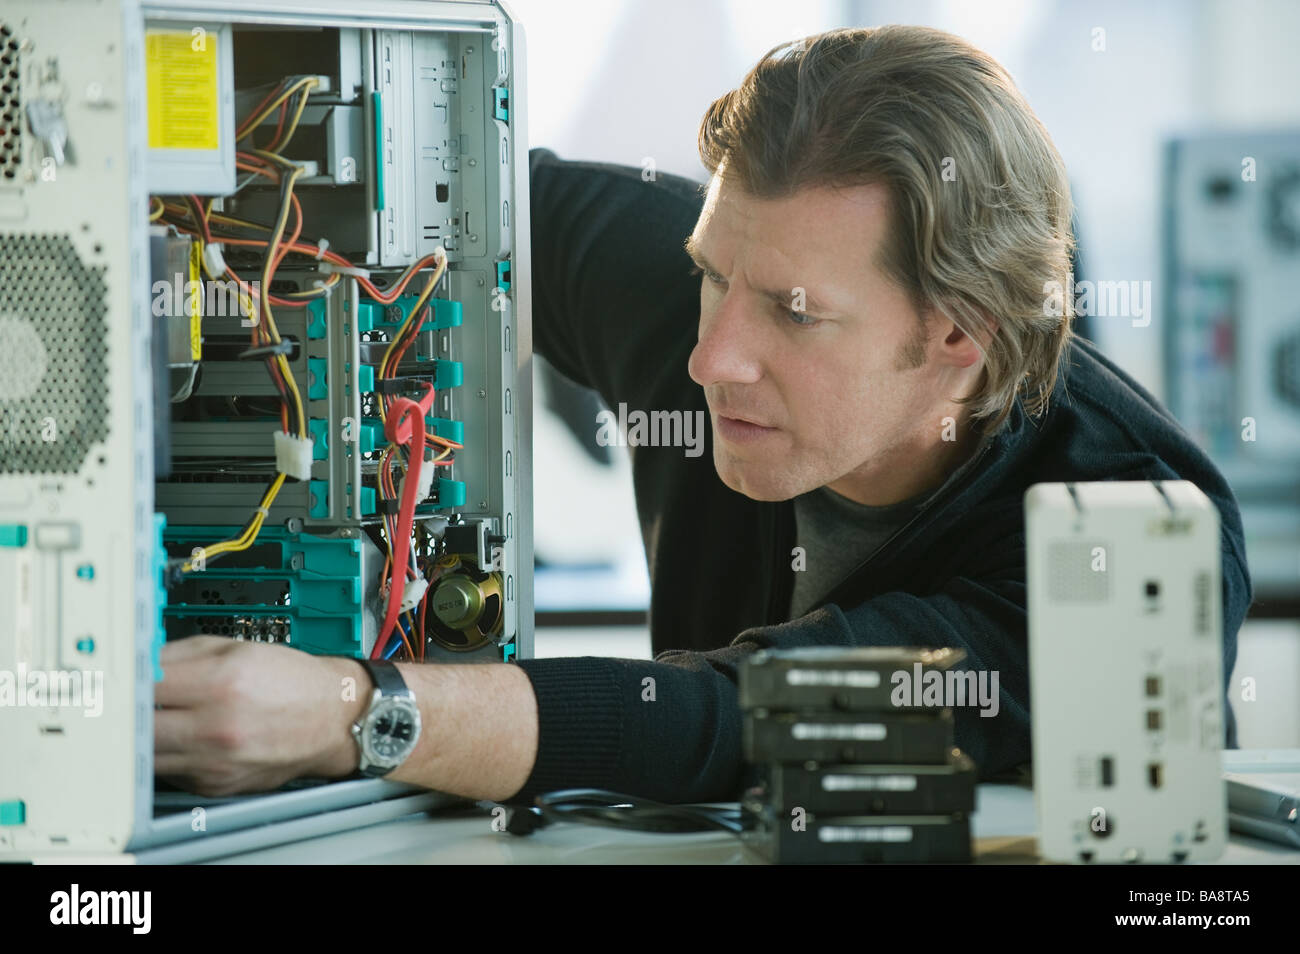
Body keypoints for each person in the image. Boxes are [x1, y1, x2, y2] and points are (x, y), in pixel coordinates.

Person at [154, 25, 1252, 804]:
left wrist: (359, 713)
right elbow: (443, 213)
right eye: (710, 277)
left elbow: (744, 720)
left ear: (957, 335)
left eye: (794, 314)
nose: (711, 354)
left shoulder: (1123, 539)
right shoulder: (694, 278)